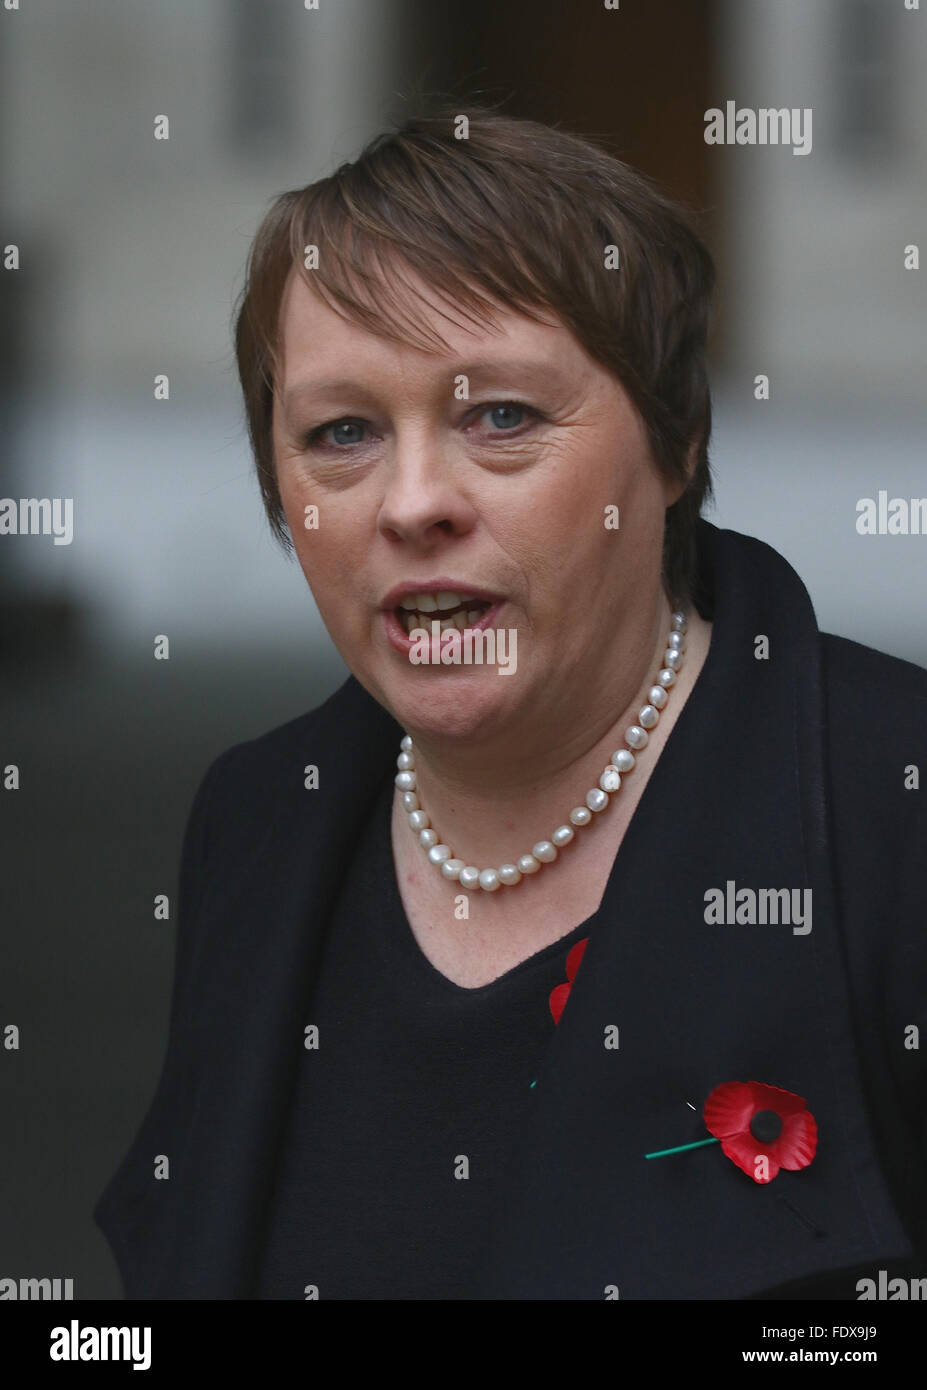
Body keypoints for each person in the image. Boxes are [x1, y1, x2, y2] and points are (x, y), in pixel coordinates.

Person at [93, 105, 927, 1300]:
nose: (413, 501)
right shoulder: (257, 822)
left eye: (501, 417)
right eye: (342, 432)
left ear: (676, 435)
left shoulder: (893, 808)